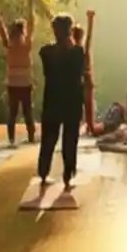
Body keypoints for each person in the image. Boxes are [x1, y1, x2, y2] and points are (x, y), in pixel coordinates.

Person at [37, 13, 86, 188]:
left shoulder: (46, 52)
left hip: (53, 101)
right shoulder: (78, 52)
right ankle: (67, 174)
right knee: (69, 139)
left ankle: (43, 172)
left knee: (49, 138)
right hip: (71, 101)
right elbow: (80, 73)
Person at [0, 8, 36, 144]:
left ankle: (12, 139)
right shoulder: (25, 44)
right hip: (24, 83)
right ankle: (30, 137)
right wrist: (31, 9)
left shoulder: (11, 44)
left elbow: (2, 31)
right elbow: (31, 27)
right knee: (27, 112)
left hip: (13, 83)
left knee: (13, 112)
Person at [72, 10, 98, 135]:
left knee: (78, 111)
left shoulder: (72, 50)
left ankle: (86, 127)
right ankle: (90, 127)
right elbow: (89, 37)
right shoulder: (81, 49)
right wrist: (90, 21)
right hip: (84, 81)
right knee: (88, 112)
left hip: (78, 81)